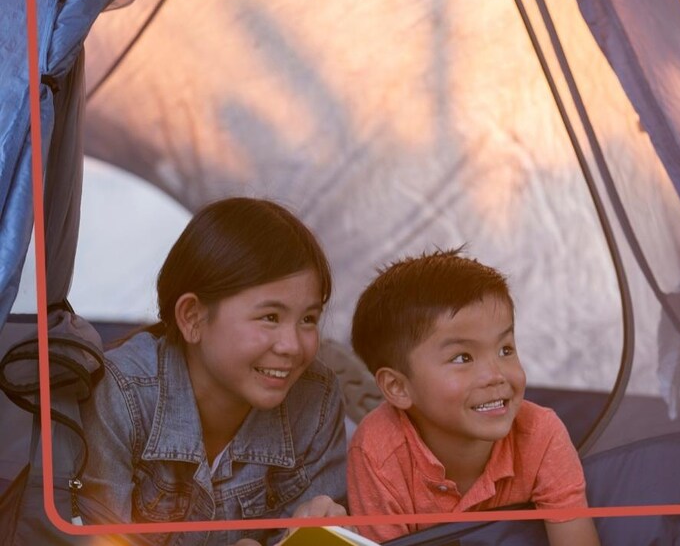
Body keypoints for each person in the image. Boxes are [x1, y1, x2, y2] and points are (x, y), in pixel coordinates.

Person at [77, 197, 348, 546]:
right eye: (270, 317)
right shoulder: (121, 396)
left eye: (308, 319)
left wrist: (322, 534)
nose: (293, 346)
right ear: (193, 318)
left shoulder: (317, 399)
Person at [347, 248, 598, 545]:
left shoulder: (541, 434)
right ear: (398, 387)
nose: (495, 374)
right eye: (462, 358)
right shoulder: (376, 452)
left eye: (505, 349)